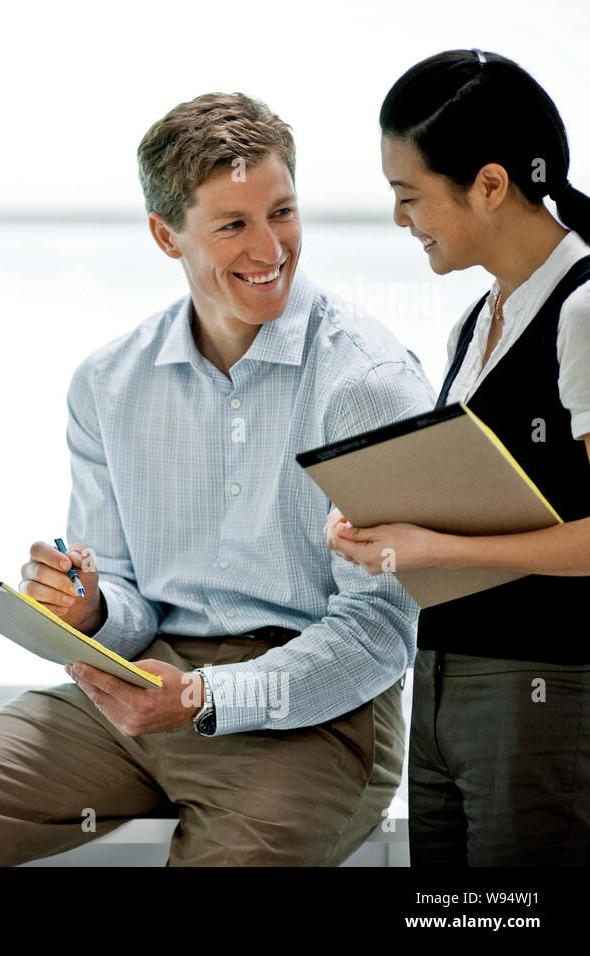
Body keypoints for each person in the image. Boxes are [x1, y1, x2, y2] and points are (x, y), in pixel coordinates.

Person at [0, 92, 437, 866]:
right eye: (233, 225)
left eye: (283, 213)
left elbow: (379, 634)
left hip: (315, 715)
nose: (270, 248)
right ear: (167, 235)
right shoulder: (108, 384)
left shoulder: (367, 382)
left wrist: (205, 696)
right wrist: (92, 607)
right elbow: (126, 601)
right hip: (144, 684)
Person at [327, 49, 590, 866]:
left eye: (410, 196)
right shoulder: (476, 321)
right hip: (442, 673)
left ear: (490, 184)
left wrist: (436, 549)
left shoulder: (584, 311)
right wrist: (381, 519)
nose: (400, 219)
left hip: (545, 685)